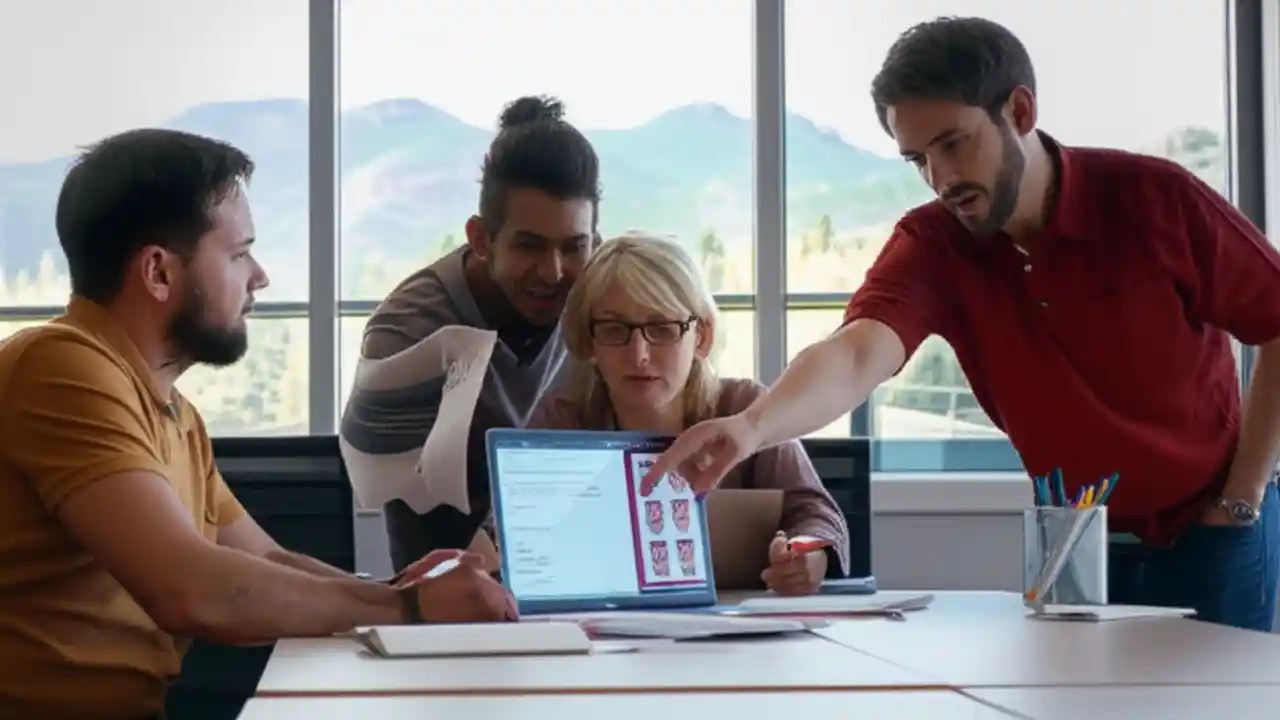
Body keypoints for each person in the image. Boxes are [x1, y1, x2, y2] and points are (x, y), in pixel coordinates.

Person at [646, 16, 1280, 631]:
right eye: (918, 159)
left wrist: (1241, 500)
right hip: (1072, 542)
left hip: (1212, 534)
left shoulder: (1155, 200)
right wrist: (751, 428)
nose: (941, 178)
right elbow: (857, 353)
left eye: (954, 144)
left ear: (1020, 112)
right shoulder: (934, 244)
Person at [0, 129, 515, 719]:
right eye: (239, 254)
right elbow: (188, 587)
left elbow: (267, 562)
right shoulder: (61, 368)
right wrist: (410, 611)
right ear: (159, 273)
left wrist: (397, 591)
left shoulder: (174, 414)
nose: (260, 276)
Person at [340, 95, 601, 572]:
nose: (553, 272)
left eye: (574, 247)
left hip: (581, 564)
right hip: (449, 583)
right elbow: (411, 507)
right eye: (529, 246)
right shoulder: (410, 328)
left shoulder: (603, 302)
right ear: (481, 239)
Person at [527, 232, 850, 594]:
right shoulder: (562, 422)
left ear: (702, 336)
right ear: (588, 341)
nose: (639, 355)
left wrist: (807, 553)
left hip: (740, 620)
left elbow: (815, 513)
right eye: (615, 330)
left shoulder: (745, 408)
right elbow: (514, 530)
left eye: (662, 329)